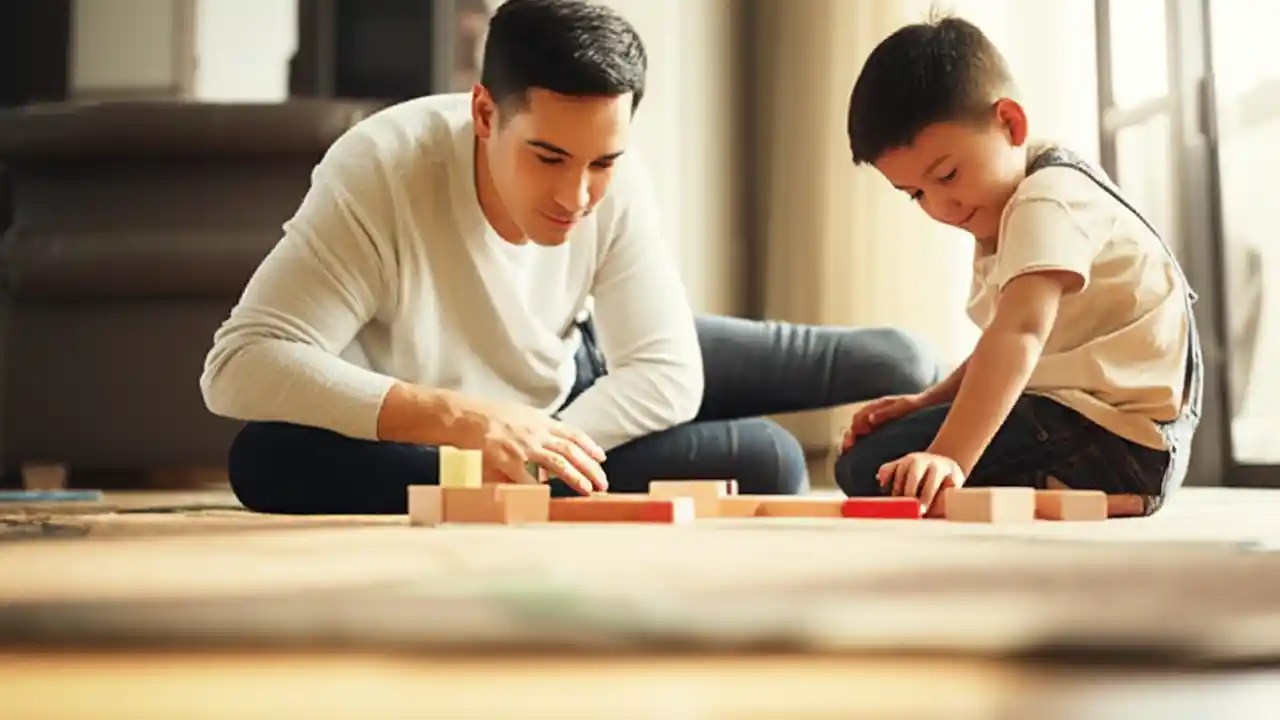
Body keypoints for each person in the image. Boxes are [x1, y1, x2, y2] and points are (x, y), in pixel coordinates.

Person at [200, 0, 937, 514]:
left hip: (582, 372)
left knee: (900, 361)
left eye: (602, 162)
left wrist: (541, 448)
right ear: (484, 113)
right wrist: (462, 419)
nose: (576, 196)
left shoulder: (617, 181)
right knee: (770, 460)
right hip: (450, 432)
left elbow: (666, 374)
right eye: (548, 157)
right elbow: (239, 366)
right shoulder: (381, 170)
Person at [835, 14, 1202, 517]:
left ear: (1010, 123)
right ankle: (1052, 484)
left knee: (870, 468)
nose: (941, 206)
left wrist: (948, 458)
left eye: (947, 174)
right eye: (916, 194)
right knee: (880, 456)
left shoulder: (1044, 200)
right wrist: (928, 401)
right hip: (1114, 434)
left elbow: (1019, 335)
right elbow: (1006, 340)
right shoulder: (1022, 195)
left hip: (1118, 441)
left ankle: (1074, 489)